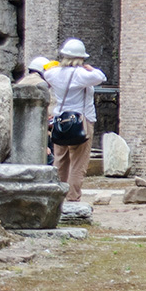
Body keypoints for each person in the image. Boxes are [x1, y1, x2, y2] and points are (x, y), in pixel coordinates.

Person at [44, 38, 106, 202]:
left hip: (60, 121)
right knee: (78, 163)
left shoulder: (53, 73)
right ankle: (72, 197)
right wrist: (90, 68)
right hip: (80, 121)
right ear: (81, 58)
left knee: (60, 160)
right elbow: (100, 76)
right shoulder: (81, 74)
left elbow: (46, 72)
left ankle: (56, 195)